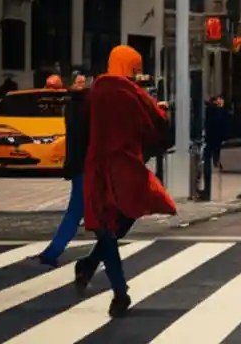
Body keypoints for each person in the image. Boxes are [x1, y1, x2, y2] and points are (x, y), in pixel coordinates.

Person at [74, 45, 176, 318]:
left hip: (97, 168)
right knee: (129, 213)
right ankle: (109, 283)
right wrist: (162, 111)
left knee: (105, 230)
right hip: (128, 167)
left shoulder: (93, 94)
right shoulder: (135, 95)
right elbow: (157, 129)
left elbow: (80, 131)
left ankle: (112, 285)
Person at [38, 85, 90, 267]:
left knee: (78, 212)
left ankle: (53, 252)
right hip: (87, 167)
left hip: (79, 167)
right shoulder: (83, 109)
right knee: (79, 212)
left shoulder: (71, 108)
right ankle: (53, 252)